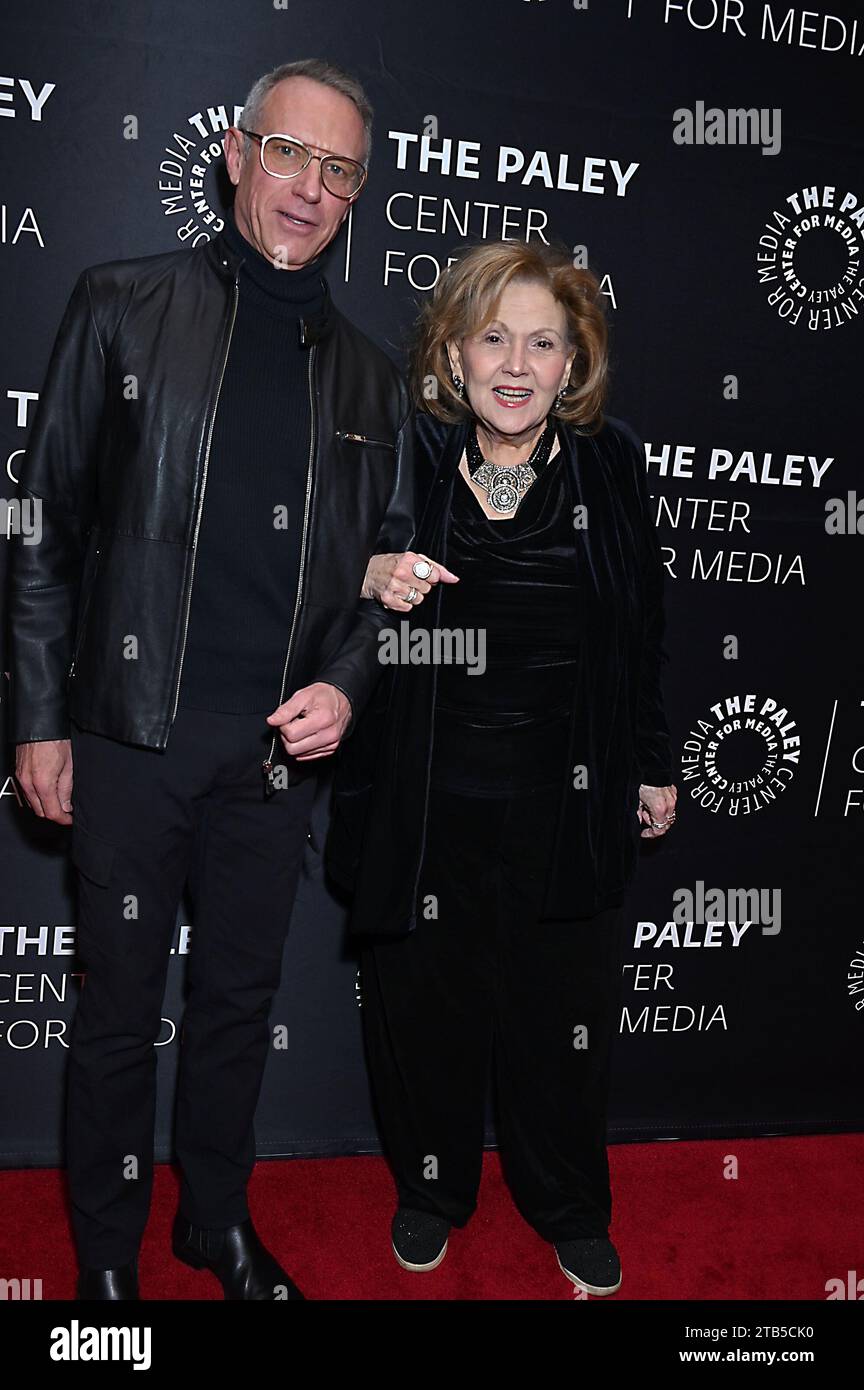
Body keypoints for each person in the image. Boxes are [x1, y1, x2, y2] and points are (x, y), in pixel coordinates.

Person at [6, 59, 414, 1301]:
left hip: (276, 752)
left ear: (354, 199)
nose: (310, 187)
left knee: (238, 1005)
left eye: (339, 170)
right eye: (289, 154)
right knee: (119, 1016)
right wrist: (38, 716)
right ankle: (107, 1260)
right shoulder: (121, 305)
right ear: (238, 155)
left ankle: (215, 1222)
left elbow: (382, 568)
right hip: (131, 735)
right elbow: (47, 529)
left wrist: (344, 684)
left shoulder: (371, 376)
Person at [326, 239, 677, 1297]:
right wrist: (365, 573)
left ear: (573, 365)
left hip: (563, 800)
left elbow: (644, 629)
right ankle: (432, 1192)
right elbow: (308, 576)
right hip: (427, 797)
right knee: (424, 1019)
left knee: (559, 1028)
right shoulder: (407, 453)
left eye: (543, 343)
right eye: (494, 338)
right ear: (454, 354)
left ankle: (567, 1203)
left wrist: (652, 761)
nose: (516, 364)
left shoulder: (610, 465)